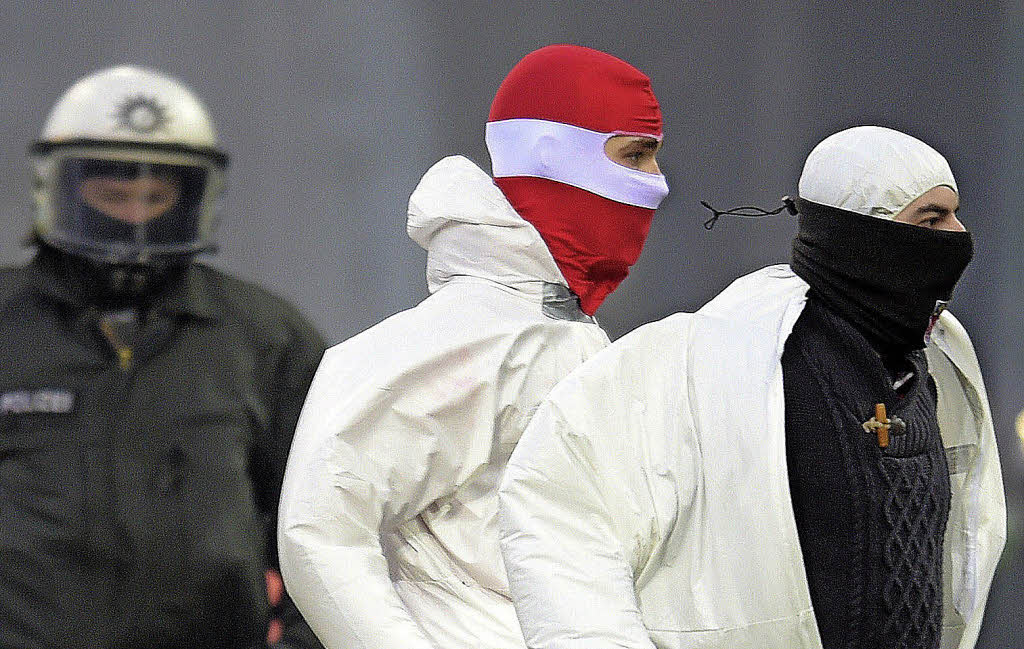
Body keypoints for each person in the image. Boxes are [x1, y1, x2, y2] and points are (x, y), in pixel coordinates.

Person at [498, 126, 1006, 649]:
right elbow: (559, 500)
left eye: (953, 213)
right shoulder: (709, 357)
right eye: (930, 218)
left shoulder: (938, 362)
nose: (957, 235)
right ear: (860, 233)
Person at [277, 44, 669, 649]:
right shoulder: (452, 343)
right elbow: (322, 529)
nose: (657, 186)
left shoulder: (567, 337)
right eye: (633, 155)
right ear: (553, 157)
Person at [0, 65, 326, 649]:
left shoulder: (265, 337)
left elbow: (329, 521)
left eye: (156, 197)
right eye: (111, 194)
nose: (133, 216)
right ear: (60, 189)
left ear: (195, 199)